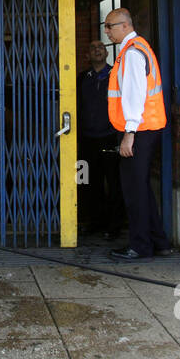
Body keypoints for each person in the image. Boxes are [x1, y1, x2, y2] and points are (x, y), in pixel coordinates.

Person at [103, 8, 179, 260]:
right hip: (145, 129)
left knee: (134, 191)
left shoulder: (133, 53)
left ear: (124, 26)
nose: (107, 30)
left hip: (139, 130)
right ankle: (159, 242)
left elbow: (134, 95)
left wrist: (129, 133)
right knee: (142, 188)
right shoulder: (136, 49)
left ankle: (140, 246)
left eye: (110, 25)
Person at [77, 40, 124, 240]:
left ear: (106, 53)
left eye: (100, 47)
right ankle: (93, 222)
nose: (97, 50)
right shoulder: (82, 78)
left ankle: (114, 226)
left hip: (109, 138)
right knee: (87, 182)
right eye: (92, 47)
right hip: (87, 139)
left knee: (113, 183)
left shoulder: (116, 75)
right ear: (88, 54)